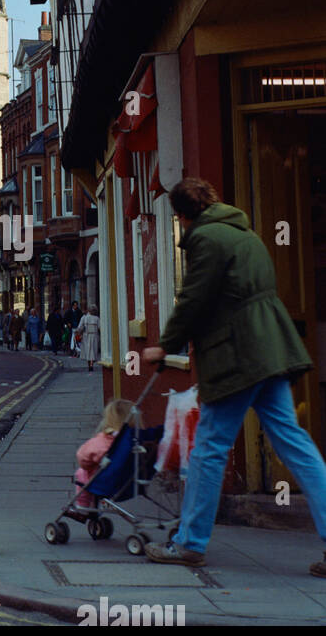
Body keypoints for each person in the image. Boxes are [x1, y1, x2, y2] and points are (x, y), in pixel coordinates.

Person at [143, 178, 326, 575]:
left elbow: (195, 298)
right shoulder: (246, 235)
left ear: (184, 215)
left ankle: (189, 544)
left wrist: (165, 343)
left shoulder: (205, 239)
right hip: (270, 350)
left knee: (208, 449)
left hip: (237, 355)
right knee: (297, 446)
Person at [73, 398, 136, 510]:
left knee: (82, 473)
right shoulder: (137, 439)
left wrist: (88, 465)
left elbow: (82, 457)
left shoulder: (106, 440)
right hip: (131, 485)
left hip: (107, 483)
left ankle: (82, 507)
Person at [75, 304, 100, 373]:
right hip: (95, 336)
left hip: (86, 336)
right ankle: (92, 364)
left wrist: (77, 332)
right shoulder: (97, 318)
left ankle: (89, 365)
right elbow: (99, 327)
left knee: (88, 351)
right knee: (93, 351)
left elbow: (80, 327)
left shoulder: (84, 318)